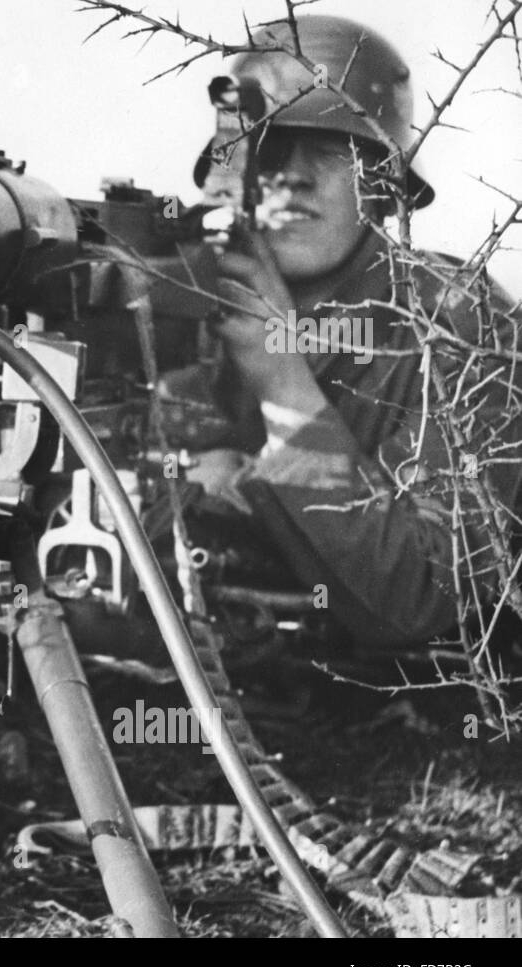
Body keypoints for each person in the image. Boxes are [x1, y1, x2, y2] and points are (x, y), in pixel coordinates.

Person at [161, 14, 522, 651]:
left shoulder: (463, 325)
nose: (293, 173)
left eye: (331, 147)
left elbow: (424, 595)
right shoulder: (184, 308)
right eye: (269, 145)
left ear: (384, 183)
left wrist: (283, 386)